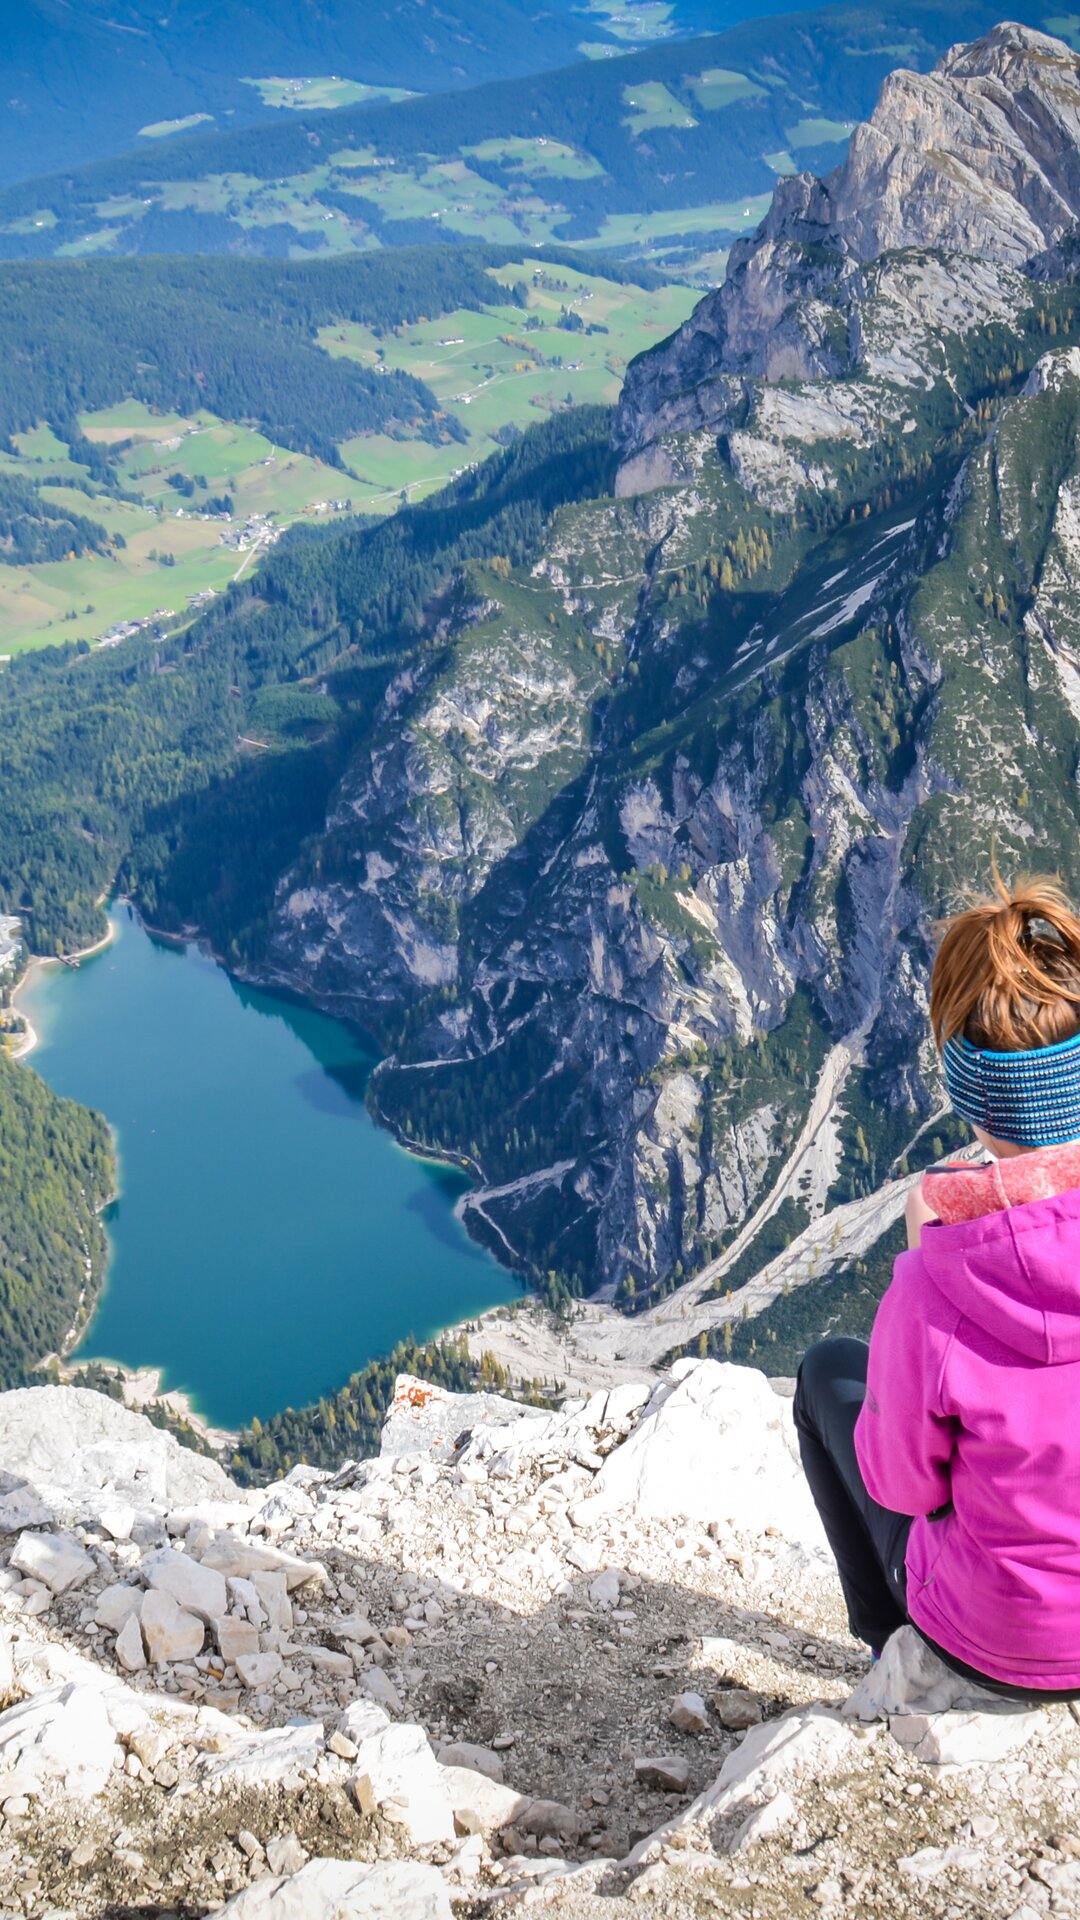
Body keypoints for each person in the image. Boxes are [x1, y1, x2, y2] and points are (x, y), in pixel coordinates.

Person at [793, 874, 1080, 1697]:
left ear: (968, 1088)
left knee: (824, 1375)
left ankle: (895, 1656)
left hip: (994, 1643)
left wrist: (924, 1259)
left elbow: (903, 1485)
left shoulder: (938, 1281)